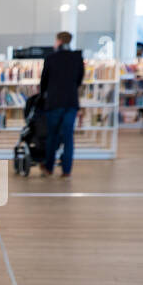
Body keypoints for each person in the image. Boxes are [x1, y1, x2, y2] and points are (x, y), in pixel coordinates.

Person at [40, 30, 85, 177]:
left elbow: (44, 81)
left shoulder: (51, 58)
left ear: (58, 41)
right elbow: (79, 80)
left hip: (54, 102)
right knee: (68, 137)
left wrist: (43, 95)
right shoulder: (77, 58)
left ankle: (49, 167)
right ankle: (66, 170)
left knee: (52, 136)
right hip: (71, 102)